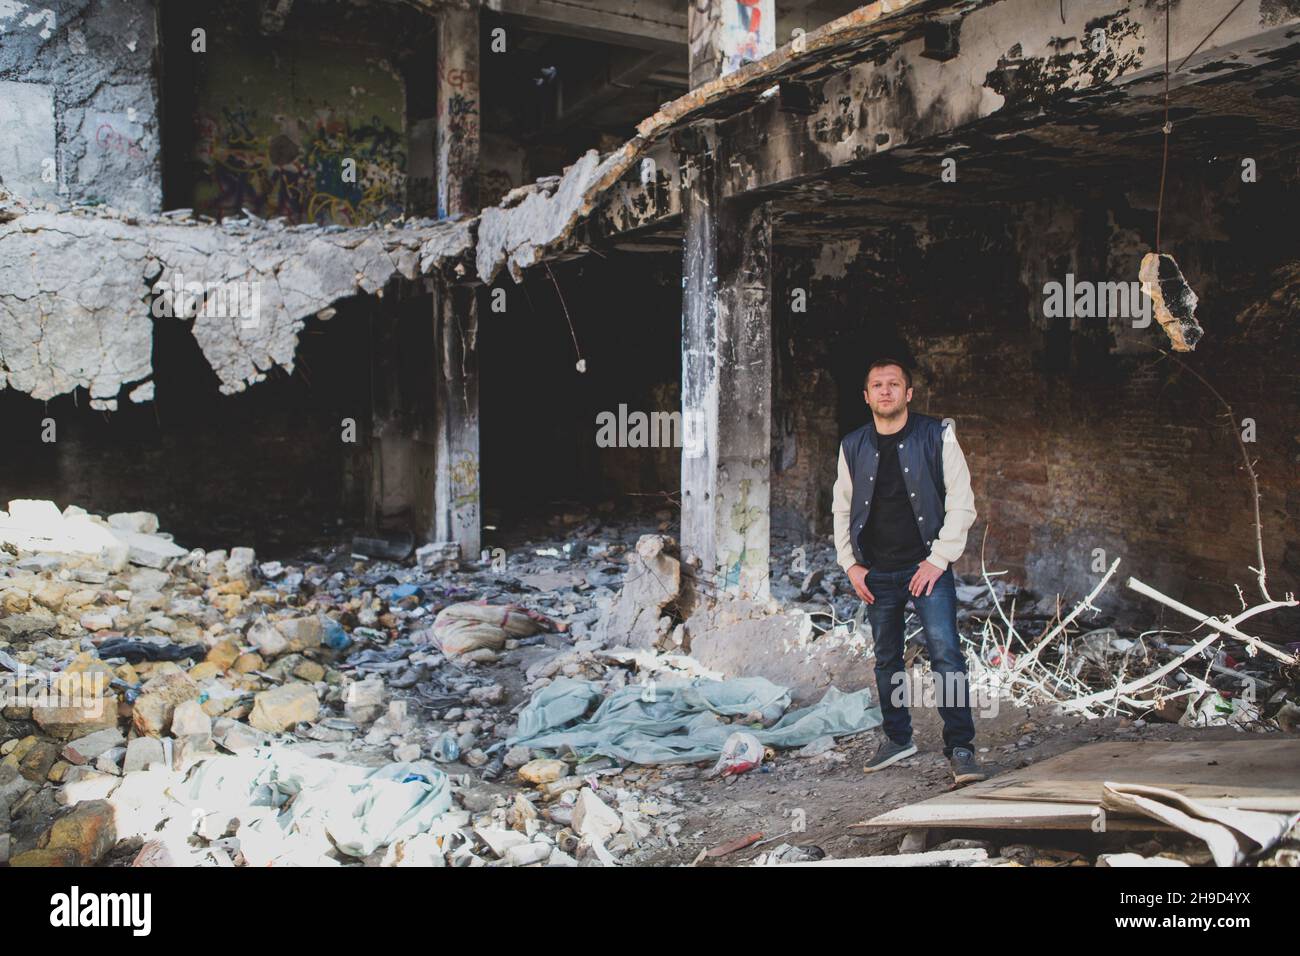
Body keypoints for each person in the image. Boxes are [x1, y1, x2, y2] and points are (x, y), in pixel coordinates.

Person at [831, 358, 984, 784]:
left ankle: (961, 746)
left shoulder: (937, 435)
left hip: (927, 569)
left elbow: (962, 502)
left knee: (947, 657)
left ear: (908, 393)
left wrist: (938, 559)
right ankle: (898, 738)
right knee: (886, 660)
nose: (885, 391)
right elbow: (841, 508)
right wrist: (851, 565)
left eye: (894, 384)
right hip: (877, 572)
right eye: (877, 385)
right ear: (866, 396)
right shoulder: (852, 445)